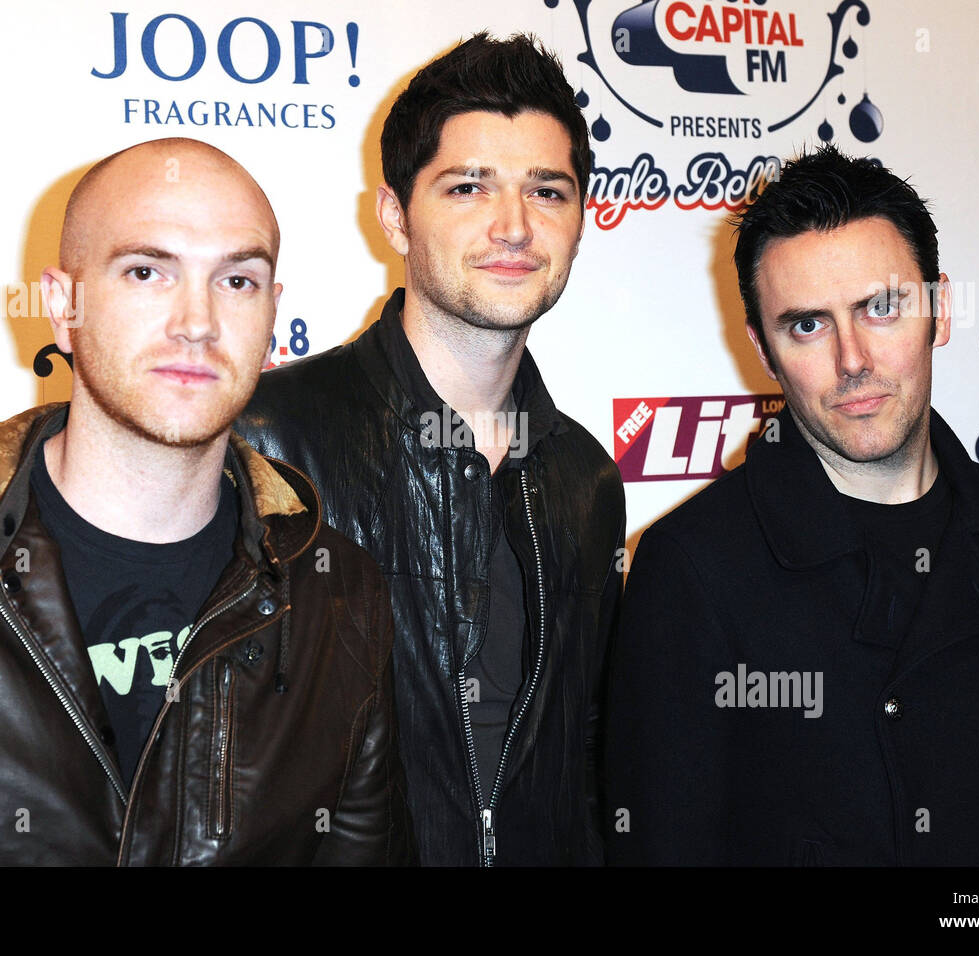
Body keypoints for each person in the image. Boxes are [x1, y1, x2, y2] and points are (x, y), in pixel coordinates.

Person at [0, 138, 410, 865]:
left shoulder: (337, 591)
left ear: (271, 315)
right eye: (146, 271)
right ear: (62, 305)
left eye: (237, 281)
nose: (197, 322)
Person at [605, 144, 979, 865]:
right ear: (763, 347)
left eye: (880, 309)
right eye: (808, 325)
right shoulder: (694, 566)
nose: (852, 361)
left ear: (939, 310)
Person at [239, 34, 625, 866]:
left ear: (582, 219)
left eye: (547, 191)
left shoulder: (585, 477)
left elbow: (586, 759)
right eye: (467, 186)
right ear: (393, 216)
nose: (514, 225)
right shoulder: (270, 440)